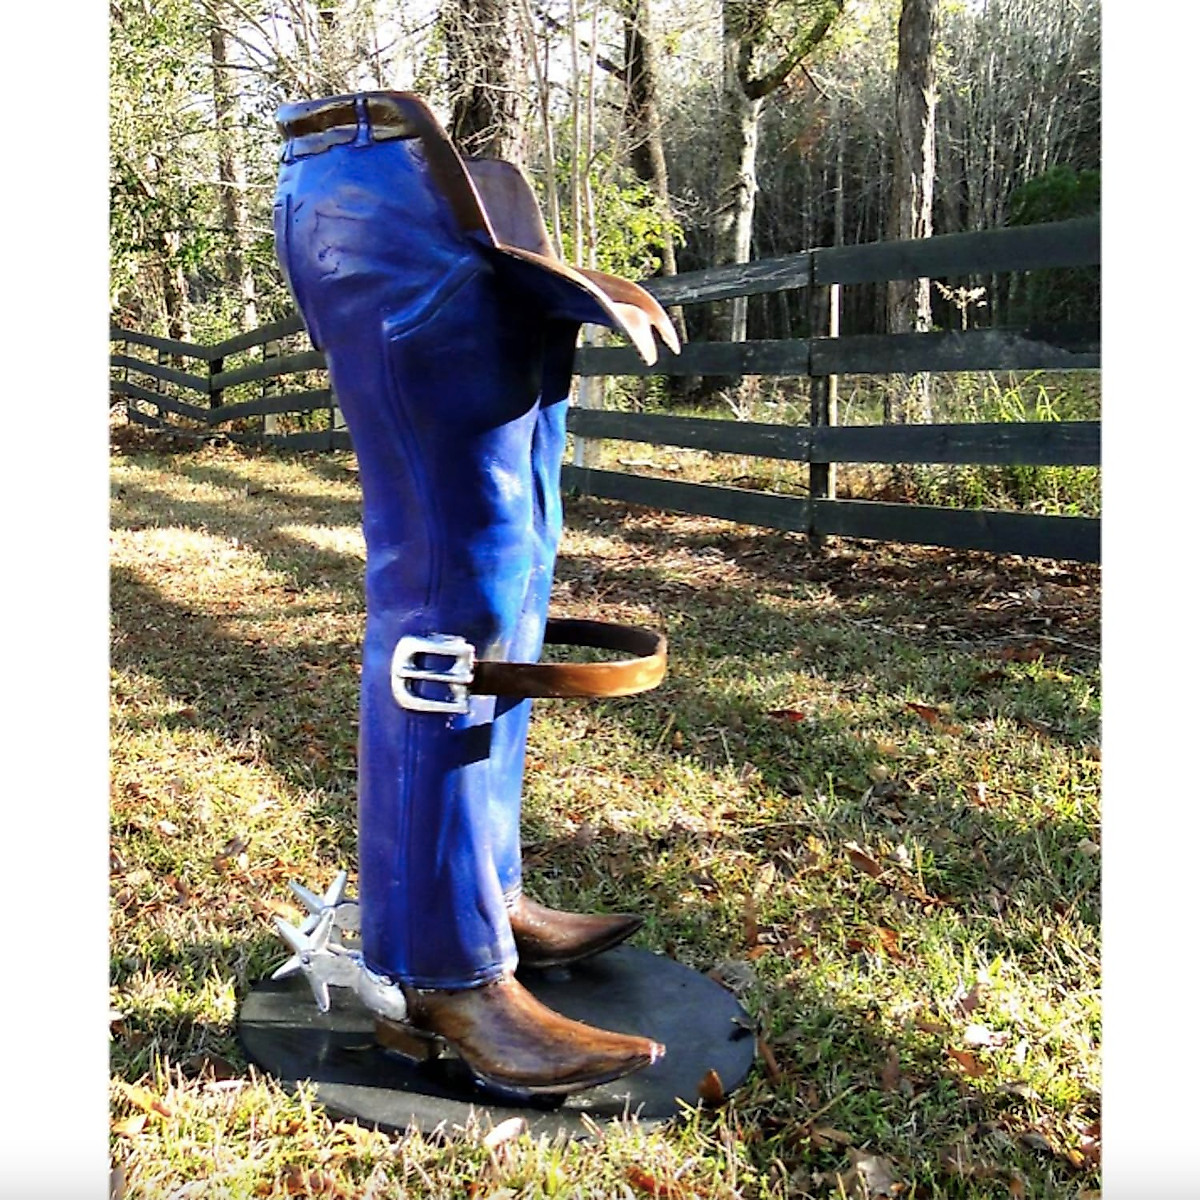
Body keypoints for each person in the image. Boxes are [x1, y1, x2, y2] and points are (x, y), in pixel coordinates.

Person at [272, 91, 679, 1095]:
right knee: (452, 596)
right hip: (379, 190)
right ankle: (441, 970)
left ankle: (484, 896)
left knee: (515, 557)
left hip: (375, 182)